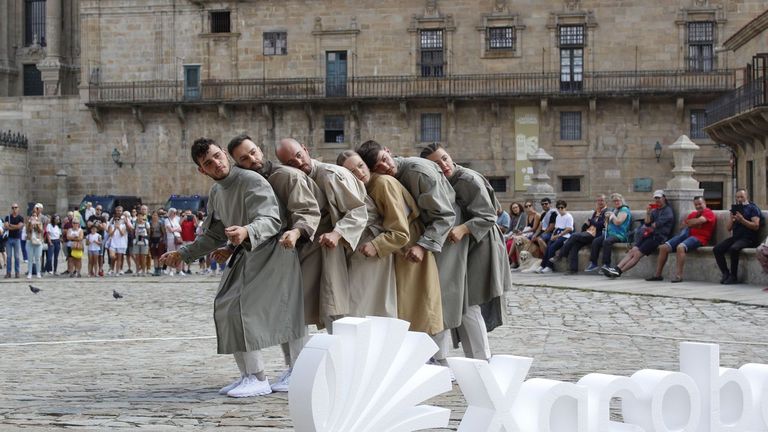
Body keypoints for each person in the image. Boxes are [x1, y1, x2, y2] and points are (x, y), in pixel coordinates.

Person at [161, 137, 305, 398]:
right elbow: (213, 234)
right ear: (201, 170)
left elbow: (272, 220)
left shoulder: (252, 181)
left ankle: (270, 376)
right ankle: (250, 375)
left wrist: (247, 231)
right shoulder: (216, 193)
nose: (216, 163)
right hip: (248, 254)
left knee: (256, 310)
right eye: (208, 162)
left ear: (224, 155)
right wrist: (182, 254)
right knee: (227, 306)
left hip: (274, 252)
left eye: (217, 156)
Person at [228, 134, 322, 392]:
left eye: (253, 152)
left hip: (297, 249)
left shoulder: (286, 176)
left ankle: (299, 370)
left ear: (260, 149)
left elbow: (308, 210)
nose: (253, 160)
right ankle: (291, 369)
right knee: (283, 312)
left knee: (294, 310)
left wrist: (295, 232)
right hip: (268, 254)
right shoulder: (246, 183)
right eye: (244, 159)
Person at [356, 140, 457, 366]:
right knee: (414, 300)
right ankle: (421, 357)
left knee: (428, 299)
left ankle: (440, 359)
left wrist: (422, 245)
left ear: (389, 151)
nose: (385, 166)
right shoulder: (382, 180)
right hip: (410, 240)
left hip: (439, 235)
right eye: (377, 166)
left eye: (384, 159)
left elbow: (445, 216)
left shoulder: (416, 171)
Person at [421, 143, 511, 360]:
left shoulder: (468, 179)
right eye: (436, 163)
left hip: (482, 245)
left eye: (444, 158)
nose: (443, 165)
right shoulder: (441, 181)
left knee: (469, 302)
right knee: (459, 301)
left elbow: (489, 215)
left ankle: (481, 358)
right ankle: (472, 358)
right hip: (463, 247)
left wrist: (462, 229)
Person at [276, 138, 368, 331]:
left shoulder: (331, 175)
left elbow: (358, 211)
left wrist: (337, 233)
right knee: (310, 304)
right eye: (291, 163)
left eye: (299, 156)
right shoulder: (296, 179)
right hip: (318, 247)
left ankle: (346, 356)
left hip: (345, 245)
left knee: (337, 306)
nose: (299, 163)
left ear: (305, 149)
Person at [336, 150, 400, 320]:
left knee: (364, 305)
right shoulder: (351, 188)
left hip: (375, 247)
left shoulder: (382, 183)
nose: (360, 172)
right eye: (352, 171)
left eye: (360, 166)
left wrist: (377, 245)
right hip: (360, 249)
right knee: (361, 304)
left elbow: (400, 228)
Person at [604, 190, 674, 278]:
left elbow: (654, 225)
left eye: (659, 198)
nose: (657, 200)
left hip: (659, 238)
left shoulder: (667, 211)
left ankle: (619, 272)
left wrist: (648, 226)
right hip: (649, 235)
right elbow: (647, 222)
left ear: (664, 198)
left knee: (637, 254)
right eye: (655, 198)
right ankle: (616, 269)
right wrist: (648, 212)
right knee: (633, 250)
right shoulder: (655, 210)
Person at [645, 196, 716, 283]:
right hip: (686, 236)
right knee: (663, 247)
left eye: (700, 204)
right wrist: (694, 223)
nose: (698, 206)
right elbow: (682, 225)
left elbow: (698, 221)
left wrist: (692, 223)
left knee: (680, 247)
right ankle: (657, 275)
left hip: (700, 238)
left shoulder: (708, 212)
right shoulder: (693, 214)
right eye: (696, 205)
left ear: (705, 203)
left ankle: (679, 276)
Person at [714, 188, 762, 284]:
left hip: (748, 238)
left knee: (734, 248)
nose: (739, 199)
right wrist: (732, 219)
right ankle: (725, 273)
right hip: (736, 238)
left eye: (741, 197)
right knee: (717, 249)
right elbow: (728, 228)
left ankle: (733, 276)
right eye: (737, 197)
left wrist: (742, 220)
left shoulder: (753, 208)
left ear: (746, 197)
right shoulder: (735, 209)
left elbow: (756, 226)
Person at [556, 194, 608, 274]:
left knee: (574, 235)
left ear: (605, 201)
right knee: (574, 245)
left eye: (602, 200)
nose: (600, 202)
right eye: (598, 200)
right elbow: (588, 226)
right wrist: (586, 224)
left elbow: (601, 225)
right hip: (588, 233)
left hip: (595, 235)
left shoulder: (607, 212)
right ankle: (573, 270)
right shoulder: (596, 212)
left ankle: (561, 255)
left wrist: (591, 221)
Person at [586, 193, 632, 272]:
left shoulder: (624, 210)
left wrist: (612, 215)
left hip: (620, 235)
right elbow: (607, 224)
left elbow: (618, 222)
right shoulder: (614, 210)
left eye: (617, 200)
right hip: (610, 234)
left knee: (607, 241)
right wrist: (606, 220)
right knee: (596, 241)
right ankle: (593, 263)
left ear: (622, 200)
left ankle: (606, 265)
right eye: (614, 201)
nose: (616, 202)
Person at [537, 200, 574, 273]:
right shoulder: (558, 216)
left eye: (562, 207)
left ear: (565, 207)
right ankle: (543, 265)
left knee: (552, 247)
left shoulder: (569, 217)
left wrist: (558, 236)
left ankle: (549, 267)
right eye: (558, 208)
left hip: (565, 236)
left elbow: (569, 229)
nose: (560, 209)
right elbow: (556, 228)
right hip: (557, 234)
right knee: (548, 246)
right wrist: (553, 235)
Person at [508, 200, 541, 269]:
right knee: (516, 240)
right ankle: (518, 262)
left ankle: (508, 257)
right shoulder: (528, 216)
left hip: (533, 234)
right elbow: (526, 227)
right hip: (527, 233)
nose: (528, 207)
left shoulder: (536, 215)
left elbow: (534, 228)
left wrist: (522, 233)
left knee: (516, 239)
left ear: (532, 206)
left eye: (530, 206)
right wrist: (521, 232)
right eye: (526, 206)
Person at [4, 203, 24, 278]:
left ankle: (17, 272)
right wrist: (15, 227)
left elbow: (19, 227)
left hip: (17, 239)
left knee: (17, 257)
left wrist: (11, 225)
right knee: (8, 257)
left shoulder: (20, 217)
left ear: (18, 208)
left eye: (15, 207)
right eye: (13, 207)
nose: (14, 209)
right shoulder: (8, 217)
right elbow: (6, 226)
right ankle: (8, 272)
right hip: (9, 239)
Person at [25, 204, 45, 279]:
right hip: (30, 241)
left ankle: (38, 272)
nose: (34, 217)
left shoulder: (39, 223)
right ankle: (30, 272)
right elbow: (27, 231)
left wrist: (36, 224)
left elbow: (41, 231)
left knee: (37, 258)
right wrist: (30, 224)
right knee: (30, 258)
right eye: (33, 215)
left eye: (35, 215)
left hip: (38, 241)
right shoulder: (28, 223)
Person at [164, 208, 183, 276]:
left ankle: (179, 270)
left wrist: (175, 229)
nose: (175, 214)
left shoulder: (176, 219)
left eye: (175, 213)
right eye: (173, 213)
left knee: (179, 254)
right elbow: (170, 230)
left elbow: (180, 229)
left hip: (178, 238)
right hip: (171, 238)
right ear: (170, 213)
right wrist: (176, 229)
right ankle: (171, 270)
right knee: (171, 254)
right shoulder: (167, 220)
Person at [179, 210, 198, 275]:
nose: (188, 215)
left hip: (191, 239)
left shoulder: (192, 221)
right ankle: (183, 268)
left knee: (190, 255)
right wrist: (183, 218)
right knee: (183, 254)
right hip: (183, 240)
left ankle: (188, 268)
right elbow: (179, 225)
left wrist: (194, 217)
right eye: (186, 214)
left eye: (189, 214)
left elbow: (196, 225)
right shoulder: (183, 220)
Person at [67, 213, 84, 278]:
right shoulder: (69, 230)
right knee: (71, 259)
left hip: (78, 246)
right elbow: (68, 237)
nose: (75, 224)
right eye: (74, 223)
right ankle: (71, 272)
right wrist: (75, 237)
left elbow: (81, 238)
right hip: (70, 246)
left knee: (78, 259)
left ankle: (78, 271)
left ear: (78, 224)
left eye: (76, 223)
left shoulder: (80, 230)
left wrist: (73, 237)